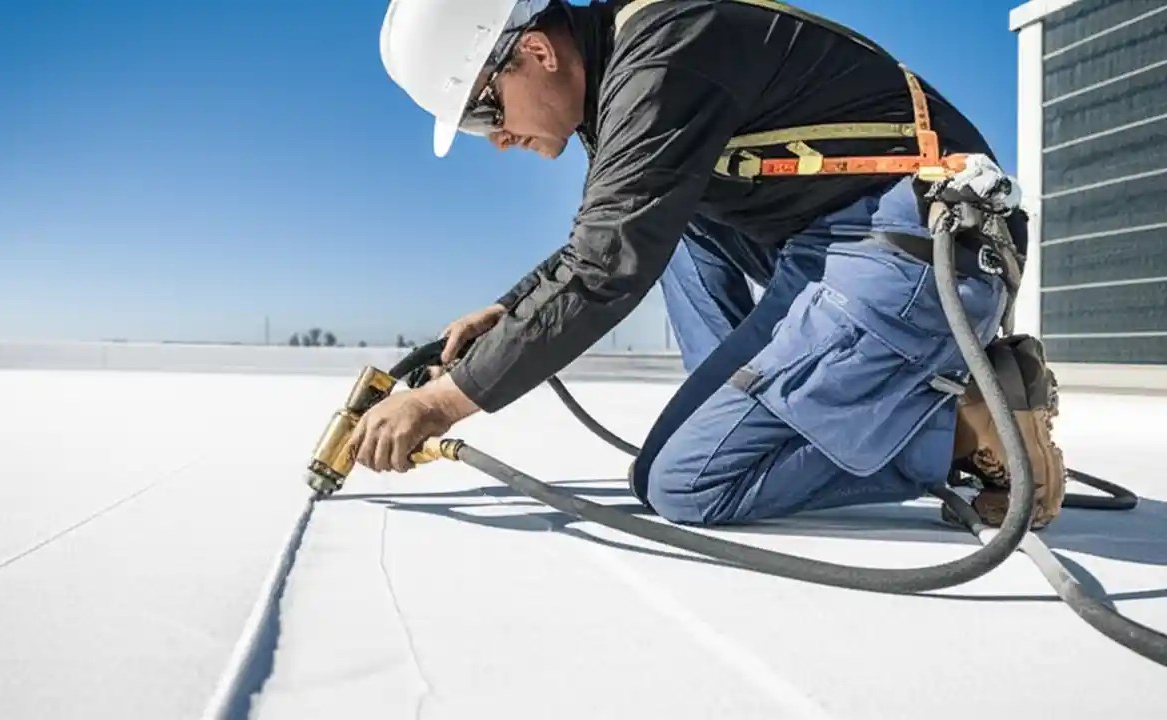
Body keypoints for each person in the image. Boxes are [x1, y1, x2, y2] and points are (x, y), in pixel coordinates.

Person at [351, 0, 1066, 529]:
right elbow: (615, 231)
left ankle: (964, 434)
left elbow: (607, 266)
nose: (497, 139)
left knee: (686, 484)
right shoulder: (630, 72)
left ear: (535, 51)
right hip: (843, 238)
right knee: (674, 221)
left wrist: (438, 402)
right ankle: (757, 414)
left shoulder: (661, 58)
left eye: (484, 113)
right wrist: (512, 308)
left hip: (922, 247)